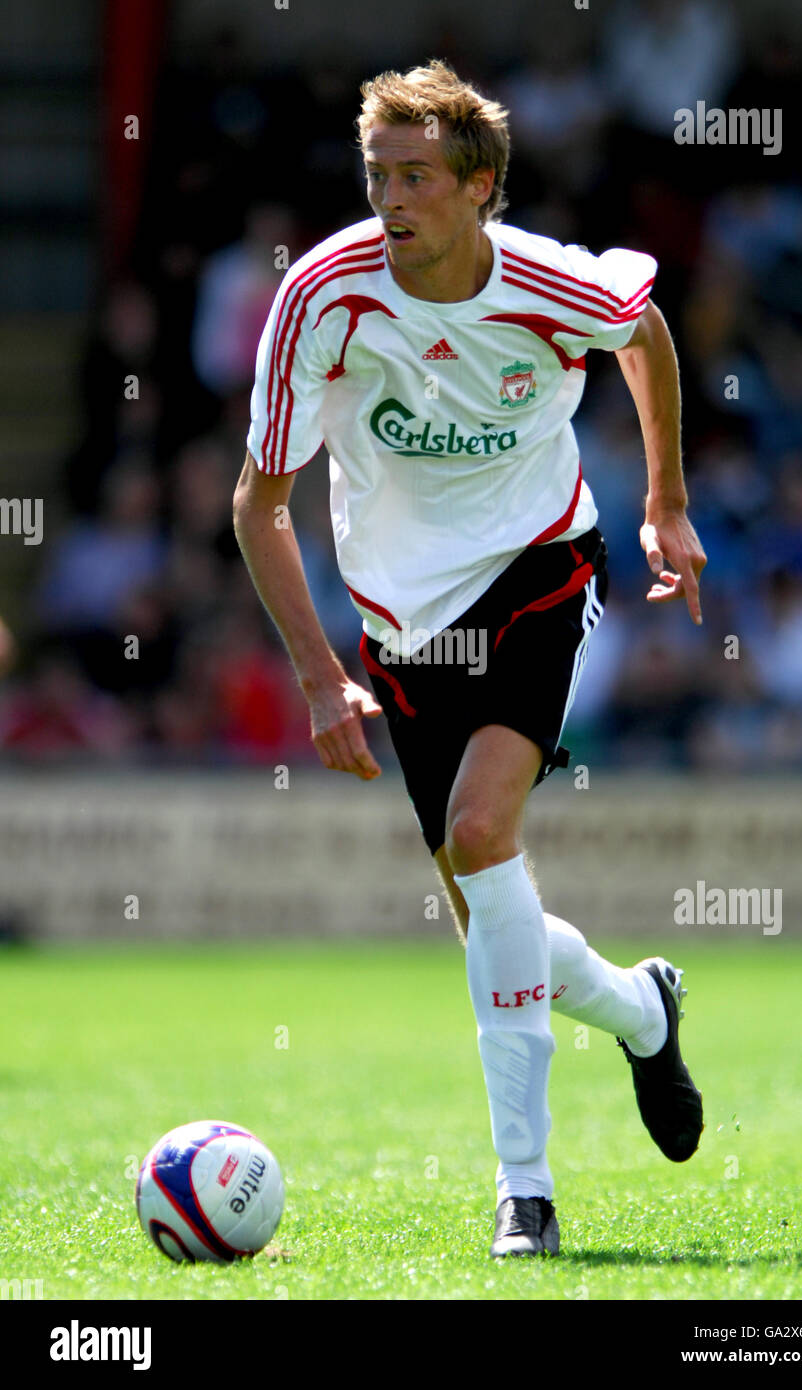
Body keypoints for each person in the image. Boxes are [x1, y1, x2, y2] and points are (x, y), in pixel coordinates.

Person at [234, 60, 706, 1258]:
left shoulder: (546, 283)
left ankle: (525, 1191)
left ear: (477, 187)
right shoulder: (320, 298)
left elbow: (641, 330)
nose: (389, 199)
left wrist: (662, 503)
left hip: (538, 572)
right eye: (376, 175)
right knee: (484, 913)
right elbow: (258, 504)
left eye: (416, 177)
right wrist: (316, 673)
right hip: (401, 624)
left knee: (485, 837)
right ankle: (641, 1008)